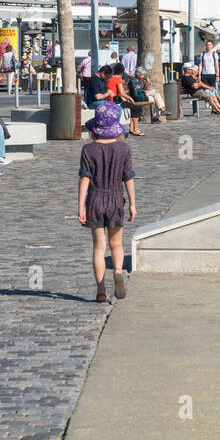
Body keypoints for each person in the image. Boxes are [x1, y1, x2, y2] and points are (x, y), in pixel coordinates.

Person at [78, 101, 136, 303]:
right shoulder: (124, 149)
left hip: (95, 199)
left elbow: (84, 179)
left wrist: (80, 206)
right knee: (117, 245)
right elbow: (128, 178)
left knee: (98, 248)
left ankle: (101, 291)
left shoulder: (88, 150)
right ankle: (118, 270)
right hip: (115, 199)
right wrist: (133, 204)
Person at [107, 63, 146, 136]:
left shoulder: (110, 79)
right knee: (136, 108)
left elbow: (117, 92)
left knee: (132, 106)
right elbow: (122, 93)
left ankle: (132, 128)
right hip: (115, 102)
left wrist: (126, 99)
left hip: (110, 100)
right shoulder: (118, 80)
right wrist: (129, 98)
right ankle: (135, 129)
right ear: (122, 72)